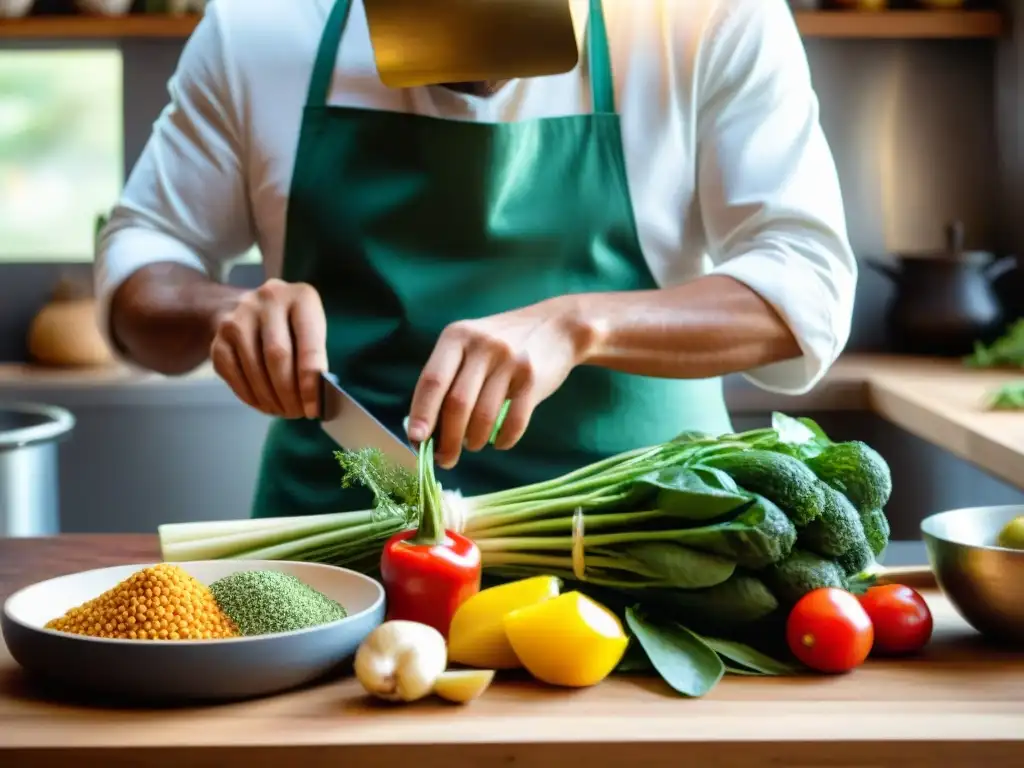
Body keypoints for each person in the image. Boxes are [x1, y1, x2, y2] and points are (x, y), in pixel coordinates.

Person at [96, 0, 856, 519]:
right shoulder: (258, 28)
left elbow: (806, 288)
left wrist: (579, 324)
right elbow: (141, 268)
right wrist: (225, 312)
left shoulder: (706, 17)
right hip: (334, 557)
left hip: (647, 546)